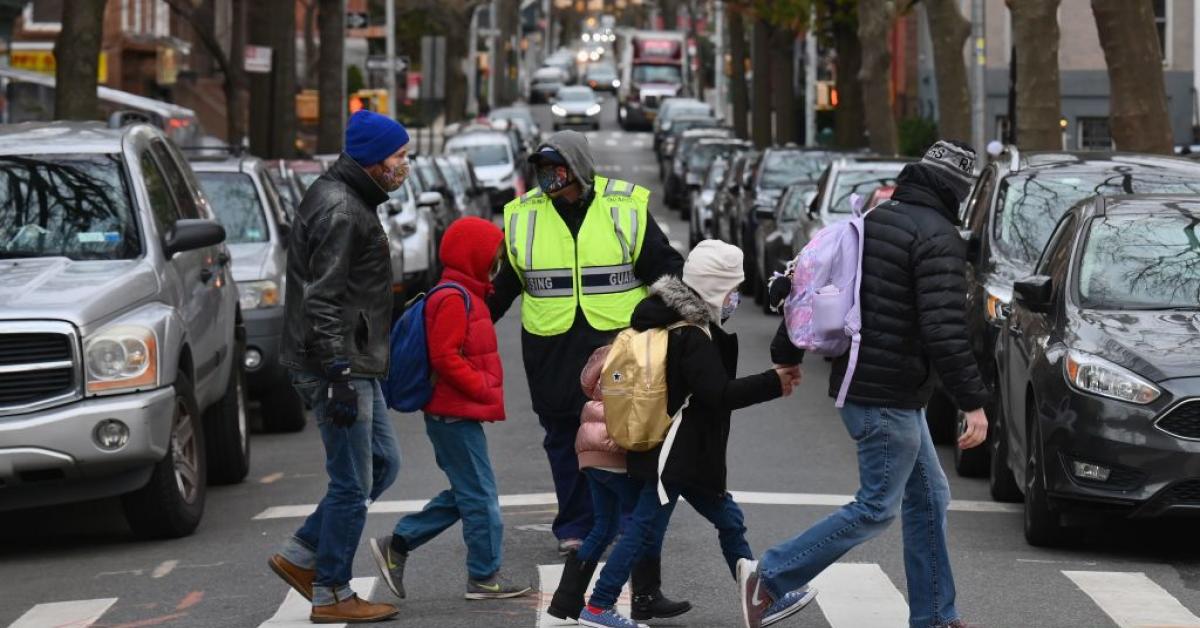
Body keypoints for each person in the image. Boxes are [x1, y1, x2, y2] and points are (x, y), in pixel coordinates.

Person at [742, 140, 990, 628]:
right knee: (877, 506)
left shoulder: (872, 221)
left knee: (929, 497)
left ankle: (937, 616)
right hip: (886, 395)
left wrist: (786, 355)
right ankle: (770, 578)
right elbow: (944, 328)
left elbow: (808, 283)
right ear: (957, 192)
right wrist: (973, 402)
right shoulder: (938, 237)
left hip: (876, 388)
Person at [576, 241, 811, 628]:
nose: (736, 297)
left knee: (728, 519)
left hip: (683, 453)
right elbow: (716, 394)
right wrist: (774, 382)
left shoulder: (668, 321)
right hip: (674, 454)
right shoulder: (692, 334)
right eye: (732, 288)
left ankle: (763, 598)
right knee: (642, 528)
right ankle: (599, 605)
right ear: (715, 287)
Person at [488, 131, 683, 558]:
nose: (549, 178)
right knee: (562, 438)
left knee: (625, 437)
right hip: (550, 347)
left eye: (556, 168)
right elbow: (501, 288)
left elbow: (665, 270)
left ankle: (629, 524)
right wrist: (468, 326)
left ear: (578, 167)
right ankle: (576, 525)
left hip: (618, 344)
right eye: (541, 169)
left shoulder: (625, 207)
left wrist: (683, 320)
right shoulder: (522, 216)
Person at [269, 109, 410, 624]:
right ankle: (331, 593)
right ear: (373, 160)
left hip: (352, 357)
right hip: (337, 363)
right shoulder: (342, 210)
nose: (404, 165)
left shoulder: (352, 199)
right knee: (352, 482)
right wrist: (338, 376)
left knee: (384, 466)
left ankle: (302, 554)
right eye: (399, 156)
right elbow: (321, 300)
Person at [366, 217, 533, 602]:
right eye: (492, 254)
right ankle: (483, 576)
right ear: (472, 254)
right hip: (452, 414)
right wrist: (483, 386)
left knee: (467, 491)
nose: (497, 262)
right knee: (480, 496)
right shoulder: (452, 299)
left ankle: (399, 542)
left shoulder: (466, 294)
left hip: (455, 413)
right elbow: (445, 356)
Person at [546, 345, 690, 622]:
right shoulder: (646, 354)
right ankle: (618, 600)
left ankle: (566, 599)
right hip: (615, 452)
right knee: (641, 525)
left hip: (590, 447)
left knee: (604, 526)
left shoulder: (608, 352)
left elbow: (587, 382)